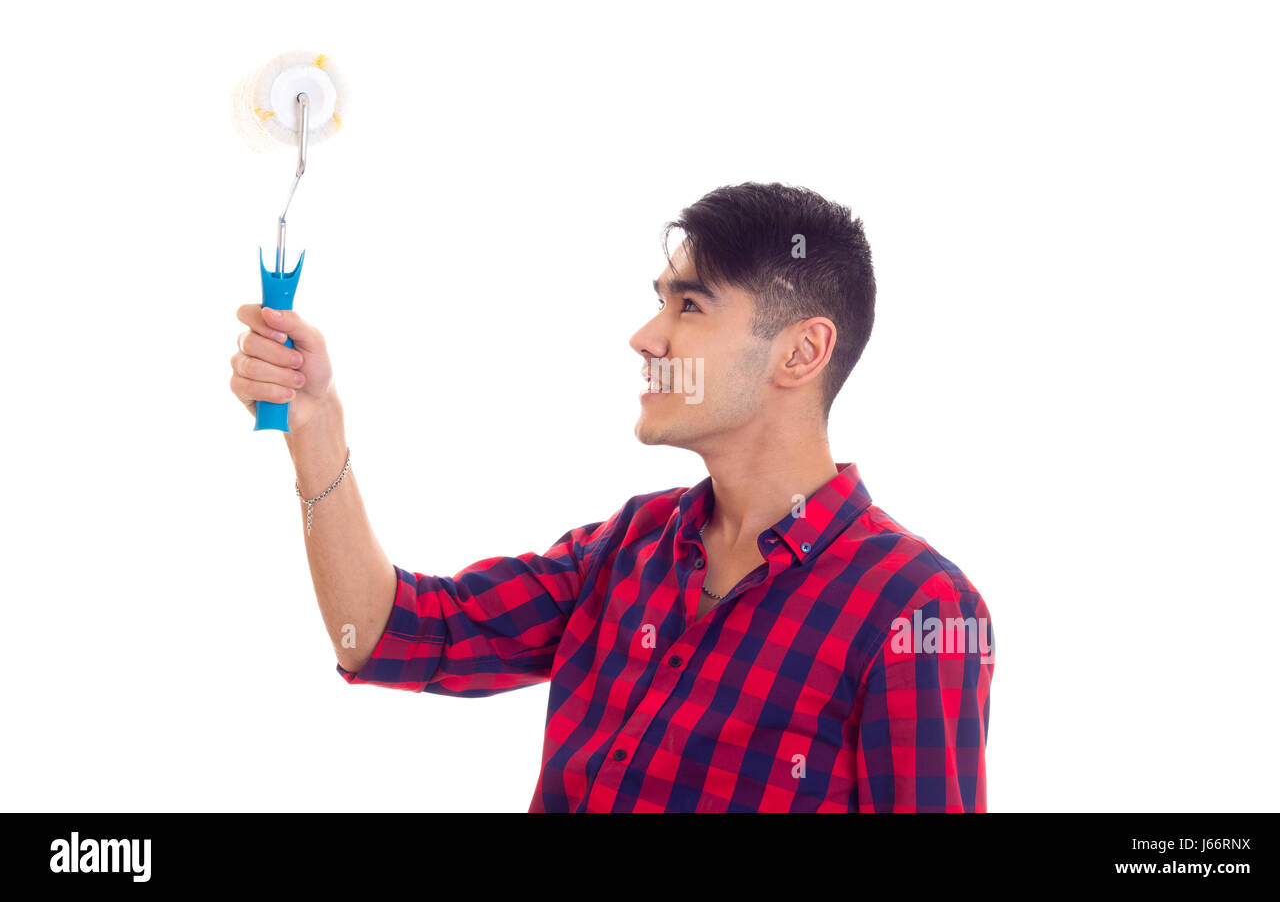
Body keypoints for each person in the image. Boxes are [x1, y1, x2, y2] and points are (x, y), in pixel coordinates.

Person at [230, 181, 994, 811]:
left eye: (688, 307)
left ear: (801, 351)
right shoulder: (632, 544)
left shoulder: (916, 609)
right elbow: (385, 633)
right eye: (661, 302)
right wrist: (315, 424)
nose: (646, 338)